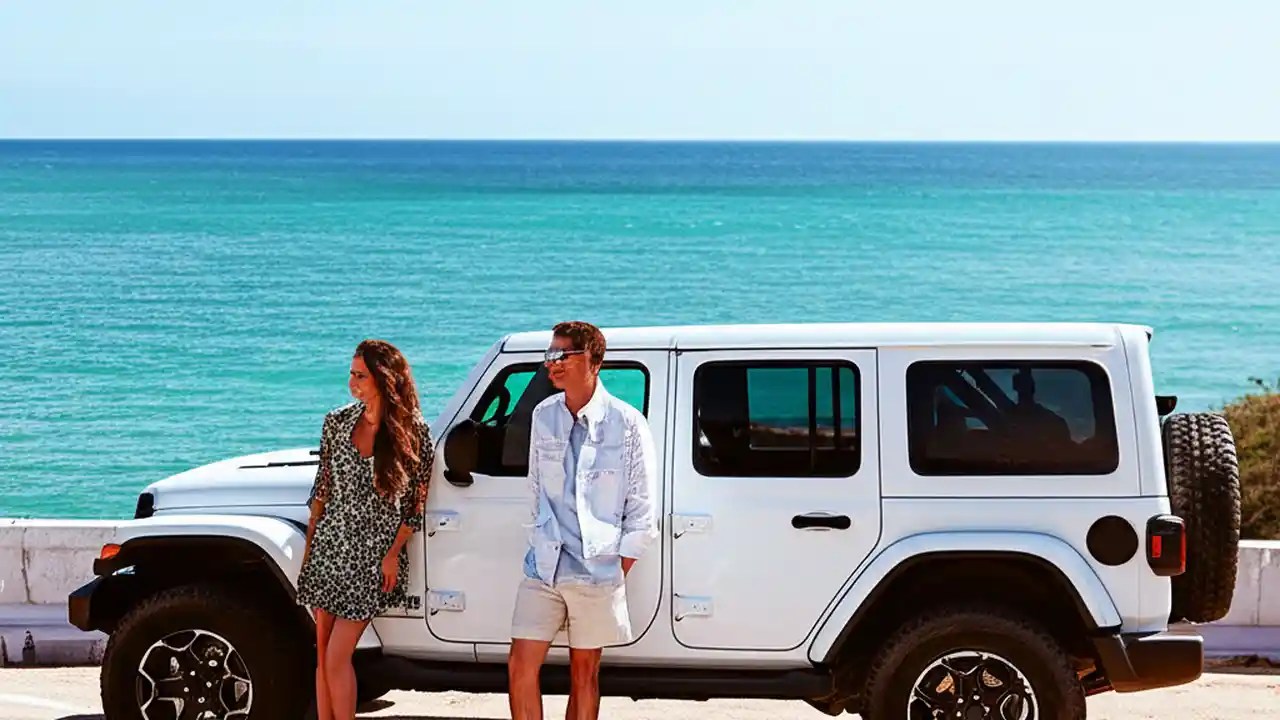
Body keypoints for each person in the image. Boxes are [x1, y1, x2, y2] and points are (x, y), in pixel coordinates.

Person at [507, 321, 659, 720]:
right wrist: (540, 542)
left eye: (562, 355)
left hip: (599, 567)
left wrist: (613, 569)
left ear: (594, 361)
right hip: (545, 564)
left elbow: (642, 511)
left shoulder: (626, 424)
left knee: (584, 674)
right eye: (549, 355)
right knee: (520, 665)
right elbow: (537, 490)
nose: (551, 365)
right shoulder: (544, 415)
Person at [298, 339, 434, 720]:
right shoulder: (337, 421)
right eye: (351, 373)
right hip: (330, 548)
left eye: (361, 375)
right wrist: (310, 548)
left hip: (373, 558)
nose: (352, 381)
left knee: (338, 656)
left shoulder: (414, 432)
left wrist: (392, 556)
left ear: (383, 379)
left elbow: (414, 505)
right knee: (322, 656)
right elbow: (322, 486)